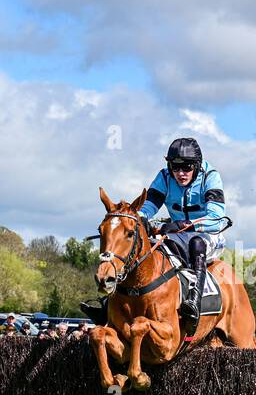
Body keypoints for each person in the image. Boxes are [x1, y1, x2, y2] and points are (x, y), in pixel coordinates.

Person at [82, 137, 229, 324]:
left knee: (196, 243)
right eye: (175, 168)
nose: (181, 173)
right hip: (175, 234)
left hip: (208, 235)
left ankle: (194, 299)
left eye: (187, 168)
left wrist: (184, 224)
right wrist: (140, 220)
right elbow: (148, 206)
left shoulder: (211, 176)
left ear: (197, 166)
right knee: (139, 249)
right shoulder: (165, 177)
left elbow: (215, 218)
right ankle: (108, 303)